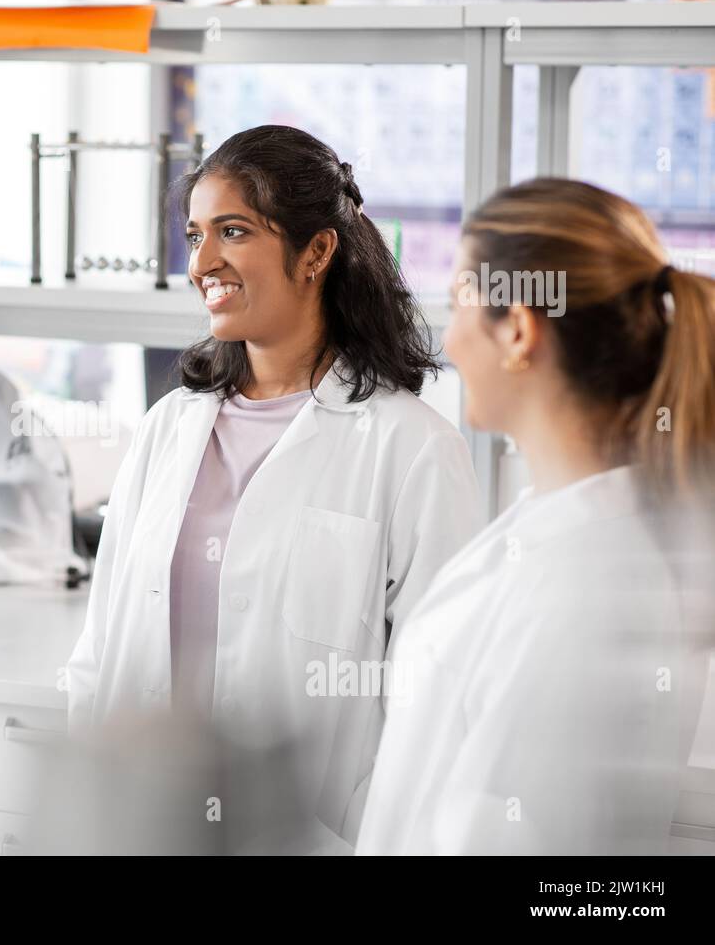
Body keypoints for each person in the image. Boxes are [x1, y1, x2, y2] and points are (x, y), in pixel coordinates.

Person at [65, 125, 482, 852]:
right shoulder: (169, 428)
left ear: (317, 251)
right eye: (194, 235)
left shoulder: (411, 446)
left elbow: (440, 702)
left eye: (233, 231)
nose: (204, 262)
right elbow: (100, 651)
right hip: (140, 823)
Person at [357, 178, 715, 855]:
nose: (450, 338)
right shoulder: (566, 532)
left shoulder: (580, 588)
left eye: (461, 301)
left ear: (519, 330)